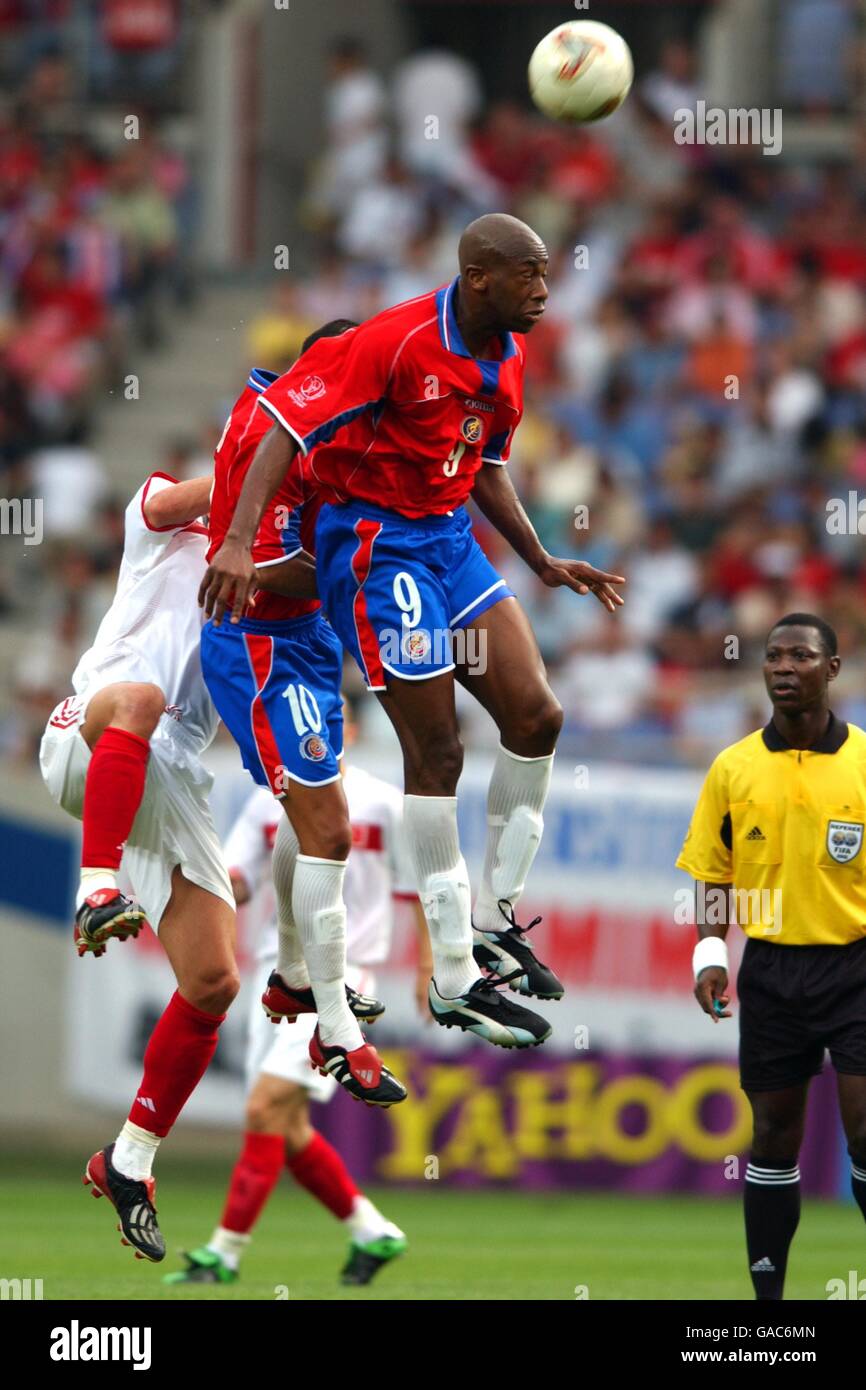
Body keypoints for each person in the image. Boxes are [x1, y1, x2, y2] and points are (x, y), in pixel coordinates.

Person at [200, 213, 625, 1053]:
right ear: (479, 276)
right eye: (529, 275)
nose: (545, 289)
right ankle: (456, 975)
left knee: (538, 716)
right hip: (375, 548)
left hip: (448, 539)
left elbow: (485, 463)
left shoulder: (507, 351)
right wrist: (241, 543)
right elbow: (283, 428)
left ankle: (498, 920)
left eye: (545, 274)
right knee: (438, 755)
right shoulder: (391, 341)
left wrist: (539, 560)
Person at [201, 322, 408, 1109]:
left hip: (304, 639)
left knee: (313, 818)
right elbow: (263, 563)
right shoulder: (269, 429)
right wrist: (363, 560)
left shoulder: (301, 418)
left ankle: (293, 977)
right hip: (260, 643)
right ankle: (336, 1028)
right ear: (331, 368)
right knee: (328, 829)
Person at [39, 470, 239, 1263]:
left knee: (214, 978)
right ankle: (96, 891)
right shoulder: (163, 522)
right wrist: (273, 460)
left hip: (173, 776)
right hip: (92, 733)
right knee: (142, 698)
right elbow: (179, 498)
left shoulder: (285, 573)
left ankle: (129, 1161)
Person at [165, 729, 431, 1288]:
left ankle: (224, 1254)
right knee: (286, 1129)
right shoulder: (270, 798)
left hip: (340, 978)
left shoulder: (381, 801)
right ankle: (373, 1230)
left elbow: (422, 886)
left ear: (348, 730)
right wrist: (189, 884)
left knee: (265, 1111)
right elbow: (236, 879)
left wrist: (432, 965)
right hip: (274, 975)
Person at [676, 613, 866, 1300]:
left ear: (833, 670)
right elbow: (714, 873)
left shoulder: (864, 763)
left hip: (855, 966)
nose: (785, 667)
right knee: (773, 1138)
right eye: (775, 656)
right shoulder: (734, 767)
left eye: (802, 656)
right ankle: (769, 1310)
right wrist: (708, 952)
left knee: (865, 1131)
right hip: (773, 971)